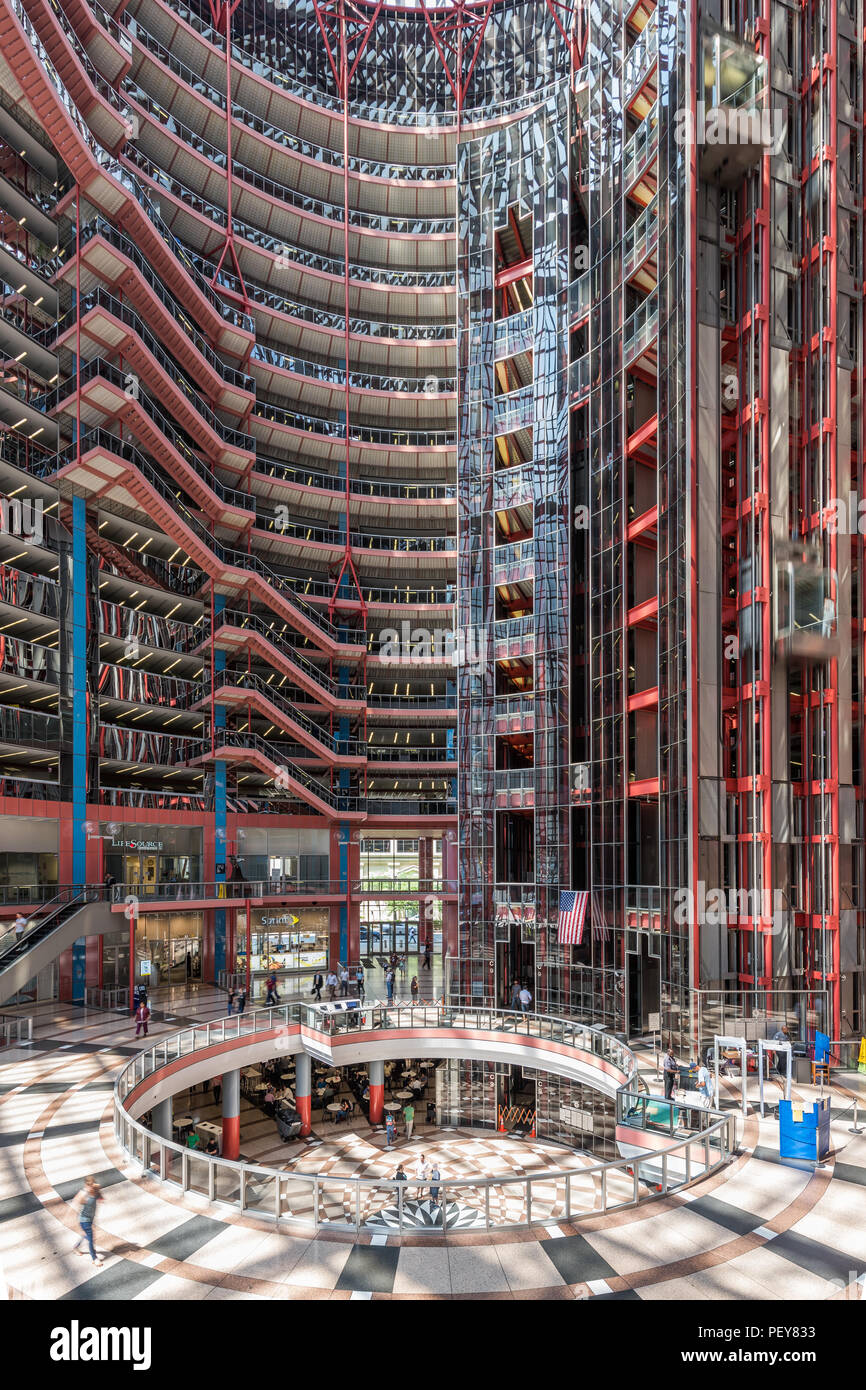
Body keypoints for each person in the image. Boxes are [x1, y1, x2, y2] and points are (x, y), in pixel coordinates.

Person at [72, 1177, 103, 1266]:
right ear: (86, 1185)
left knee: (86, 1236)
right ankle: (94, 1258)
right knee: (91, 1239)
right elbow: (77, 1203)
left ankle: (76, 1247)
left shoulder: (95, 1191)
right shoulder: (84, 1194)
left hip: (91, 1219)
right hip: (84, 1220)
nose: (91, 1187)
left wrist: (100, 1197)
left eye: (92, 1185)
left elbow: (100, 1198)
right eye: (89, 1185)